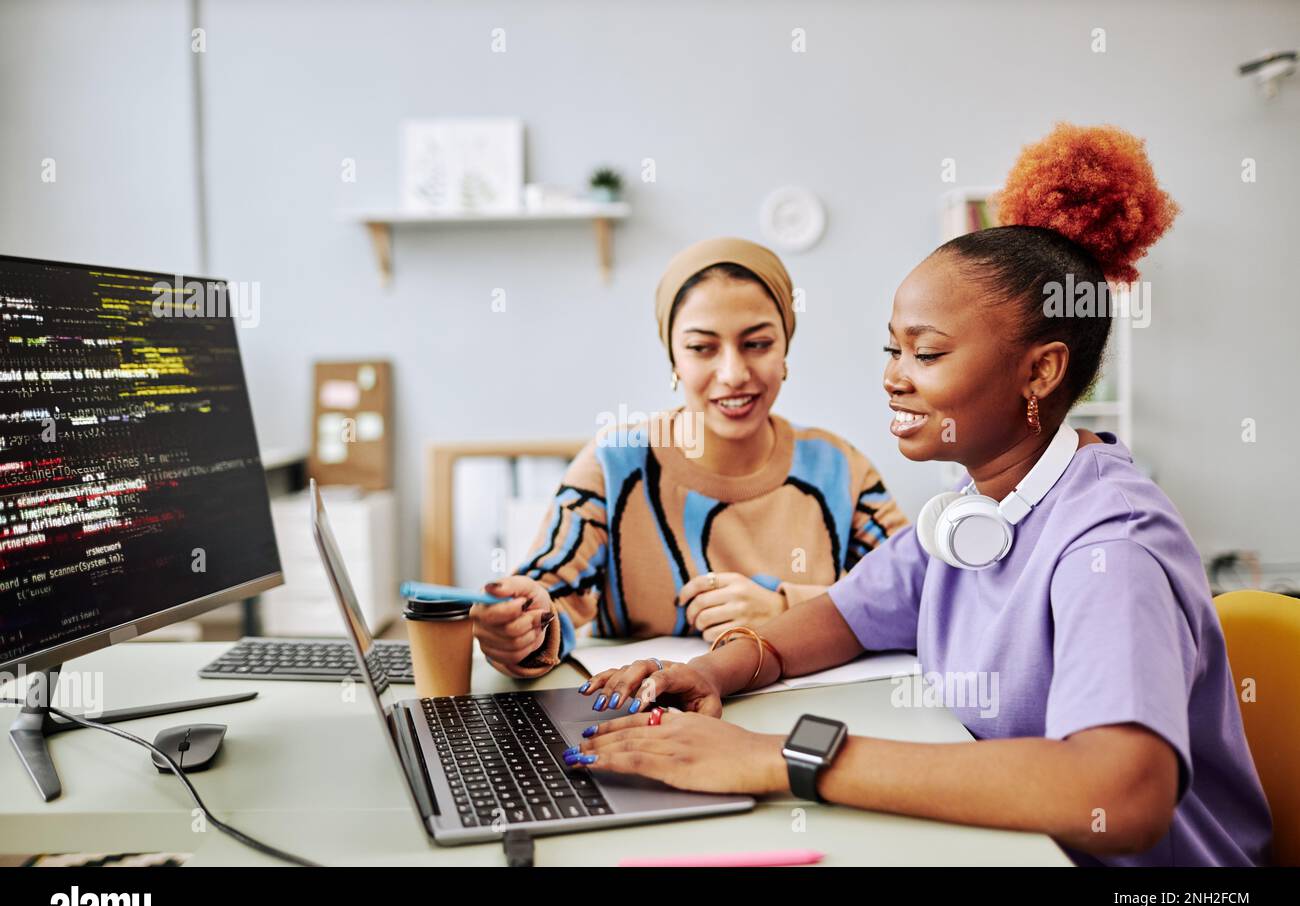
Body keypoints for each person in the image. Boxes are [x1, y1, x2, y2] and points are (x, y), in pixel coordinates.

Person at [567, 123, 1273, 866]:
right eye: (892, 349)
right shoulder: (972, 518)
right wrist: (708, 673)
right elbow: (836, 620)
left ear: (1041, 372)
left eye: (927, 353)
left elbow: (1120, 797)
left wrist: (778, 758)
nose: (893, 376)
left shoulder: (1111, 547)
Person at [471, 237, 907, 683]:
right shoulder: (615, 464)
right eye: (702, 348)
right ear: (673, 357)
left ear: (785, 349)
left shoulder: (838, 468)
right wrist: (521, 629)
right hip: (642, 724)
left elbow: (923, 603)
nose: (734, 374)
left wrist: (785, 608)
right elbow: (548, 599)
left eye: (757, 344)